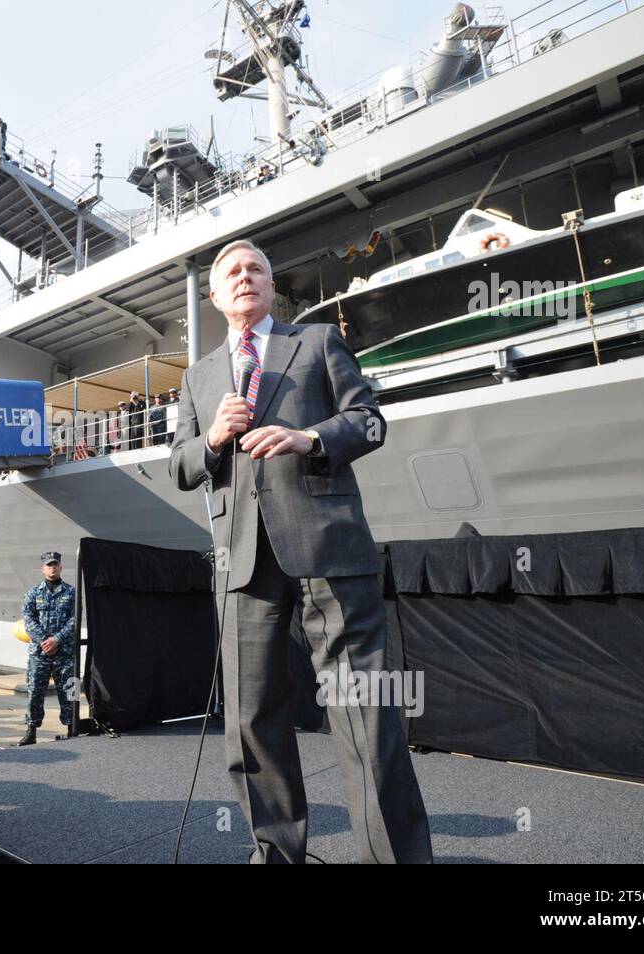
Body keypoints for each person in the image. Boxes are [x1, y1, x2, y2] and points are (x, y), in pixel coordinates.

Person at [169, 239, 431, 864]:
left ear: (271, 282)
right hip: (240, 566)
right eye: (230, 272)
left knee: (366, 715)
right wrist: (210, 439)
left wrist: (308, 437)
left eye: (254, 267)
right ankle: (276, 855)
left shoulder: (315, 343)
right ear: (213, 295)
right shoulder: (198, 377)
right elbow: (180, 467)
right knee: (252, 723)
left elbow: (370, 421)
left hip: (329, 552)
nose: (244, 277)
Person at [16, 552, 76, 746]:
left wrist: (56, 640)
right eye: (48, 565)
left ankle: (71, 727)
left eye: (55, 564)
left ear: (61, 567)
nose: (52, 568)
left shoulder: (71, 593)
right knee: (35, 691)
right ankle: (31, 730)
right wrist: (45, 641)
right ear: (43, 568)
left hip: (64, 652)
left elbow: (75, 620)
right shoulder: (33, 593)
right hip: (39, 653)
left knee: (68, 690)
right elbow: (28, 619)